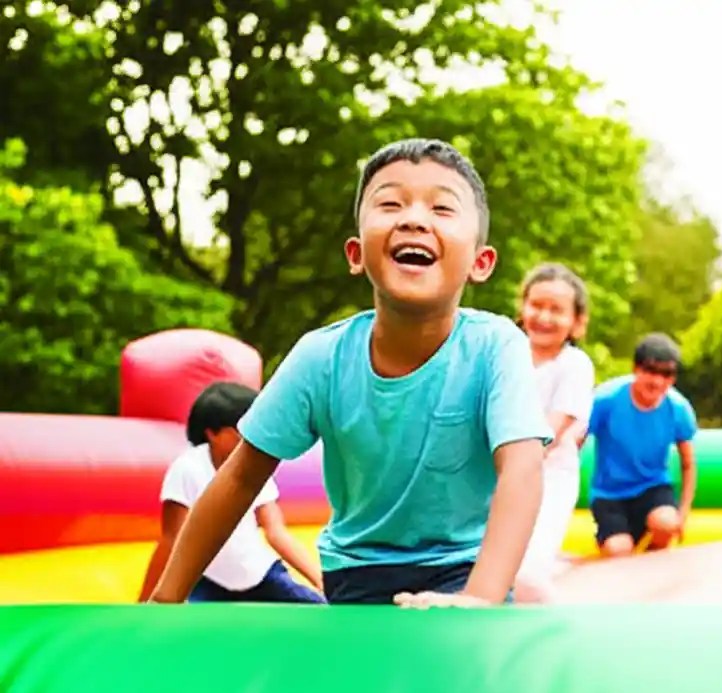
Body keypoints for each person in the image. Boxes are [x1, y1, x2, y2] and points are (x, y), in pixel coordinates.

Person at [147, 138, 551, 608]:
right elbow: (239, 478)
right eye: (390, 203)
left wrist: (479, 595)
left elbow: (522, 466)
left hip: (464, 565)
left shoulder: (495, 346)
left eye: (442, 207)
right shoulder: (321, 357)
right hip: (357, 571)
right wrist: (166, 599)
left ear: (481, 263)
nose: (414, 218)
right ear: (356, 254)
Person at [137, 382, 324, 604]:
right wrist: (145, 602)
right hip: (207, 580)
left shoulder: (255, 465)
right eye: (241, 431)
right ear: (212, 433)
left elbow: (276, 532)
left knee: (314, 605)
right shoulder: (188, 469)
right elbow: (172, 540)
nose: (249, 437)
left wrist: (320, 580)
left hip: (258, 573)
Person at [512, 262, 597, 603]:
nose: (544, 317)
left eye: (556, 310)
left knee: (526, 574)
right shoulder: (507, 355)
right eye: (537, 305)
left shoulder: (573, 365)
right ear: (523, 307)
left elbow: (552, 428)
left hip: (548, 479)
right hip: (498, 476)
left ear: (577, 321)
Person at [584, 333, 697, 557]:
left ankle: (650, 564)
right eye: (650, 371)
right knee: (619, 550)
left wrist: (683, 513)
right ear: (635, 369)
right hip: (610, 493)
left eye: (666, 374)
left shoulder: (678, 408)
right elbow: (574, 442)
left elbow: (688, 463)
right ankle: (612, 542)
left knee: (667, 523)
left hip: (652, 487)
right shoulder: (605, 400)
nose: (657, 381)